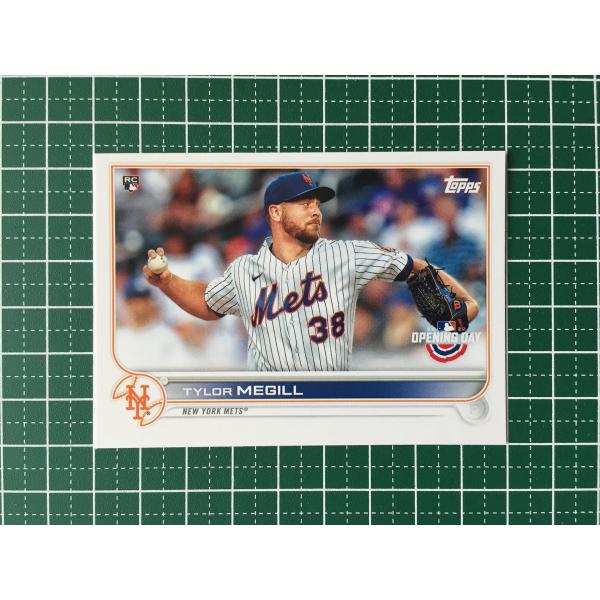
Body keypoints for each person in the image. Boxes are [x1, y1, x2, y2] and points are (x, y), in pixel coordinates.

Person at [143, 171, 479, 371]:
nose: (315, 211)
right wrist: (167, 281)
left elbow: (413, 266)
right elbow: (206, 302)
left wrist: (462, 301)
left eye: (317, 204)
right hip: (270, 401)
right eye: (304, 204)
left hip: (328, 394)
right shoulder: (245, 269)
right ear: (275, 213)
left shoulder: (346, 254)